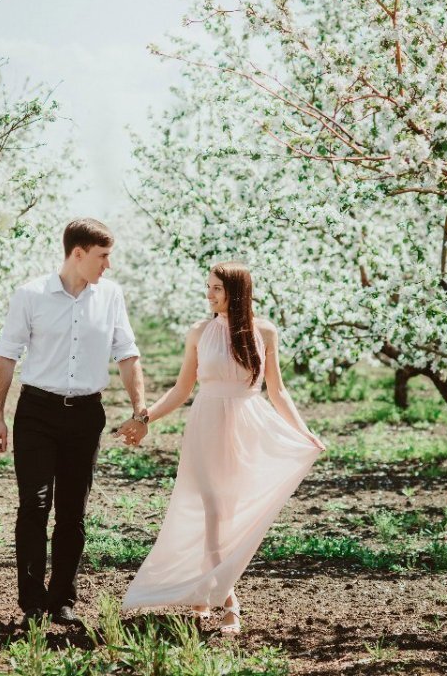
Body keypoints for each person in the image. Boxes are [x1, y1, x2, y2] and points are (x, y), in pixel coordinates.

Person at [117, 261, 324, 634]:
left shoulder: (264, 332)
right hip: (207, 425)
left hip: (248, 426)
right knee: (213, 508)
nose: (209, 294)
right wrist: (144, 419)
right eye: (208, 287)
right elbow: (182, 390)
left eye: (216, 288)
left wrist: (305, 432)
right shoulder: (199, 332)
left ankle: (204, 590)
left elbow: (277, 390)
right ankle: (228, 600)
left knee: (229, 511)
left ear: (236, 291)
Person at [0, 218, 146, 628]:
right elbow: (6, 357)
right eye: (102, 256)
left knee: (73, 512)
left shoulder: (111, 296)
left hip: (86, 415)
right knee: (34, 507)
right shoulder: (31, 295)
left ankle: (62, 601)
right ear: (78, 253)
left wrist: (139, 410)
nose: (108, 265)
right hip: (37, 413)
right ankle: (32, 605)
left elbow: (127, 356)